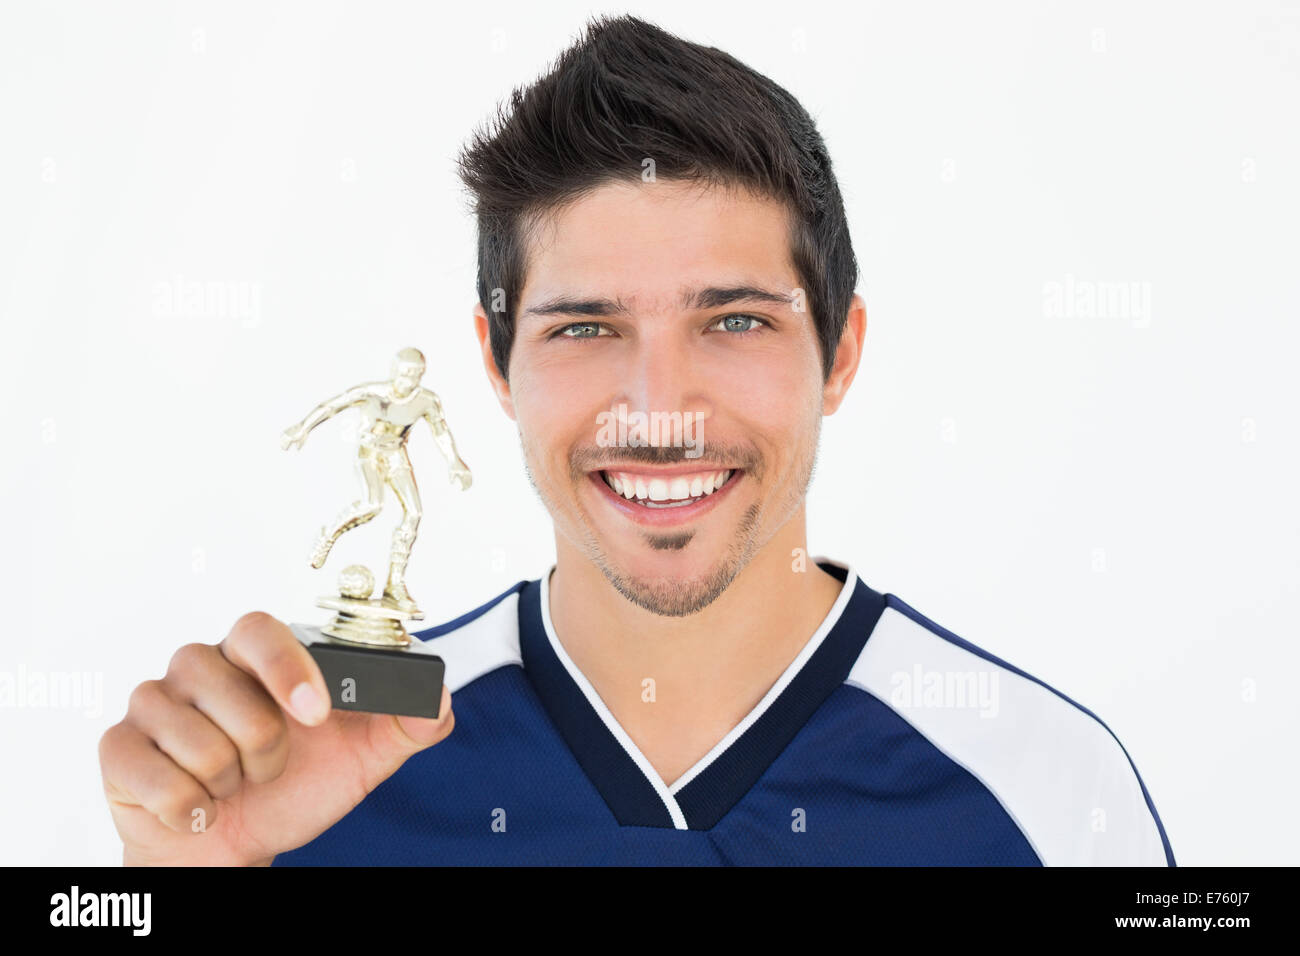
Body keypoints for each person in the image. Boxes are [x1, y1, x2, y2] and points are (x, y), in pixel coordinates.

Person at [98, 14, 1174, 866]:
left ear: (841, 352)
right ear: (496, 363)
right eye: (585, 327)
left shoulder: (1048, 792)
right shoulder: (318, 776)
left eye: (735, 319)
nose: (659, 407)